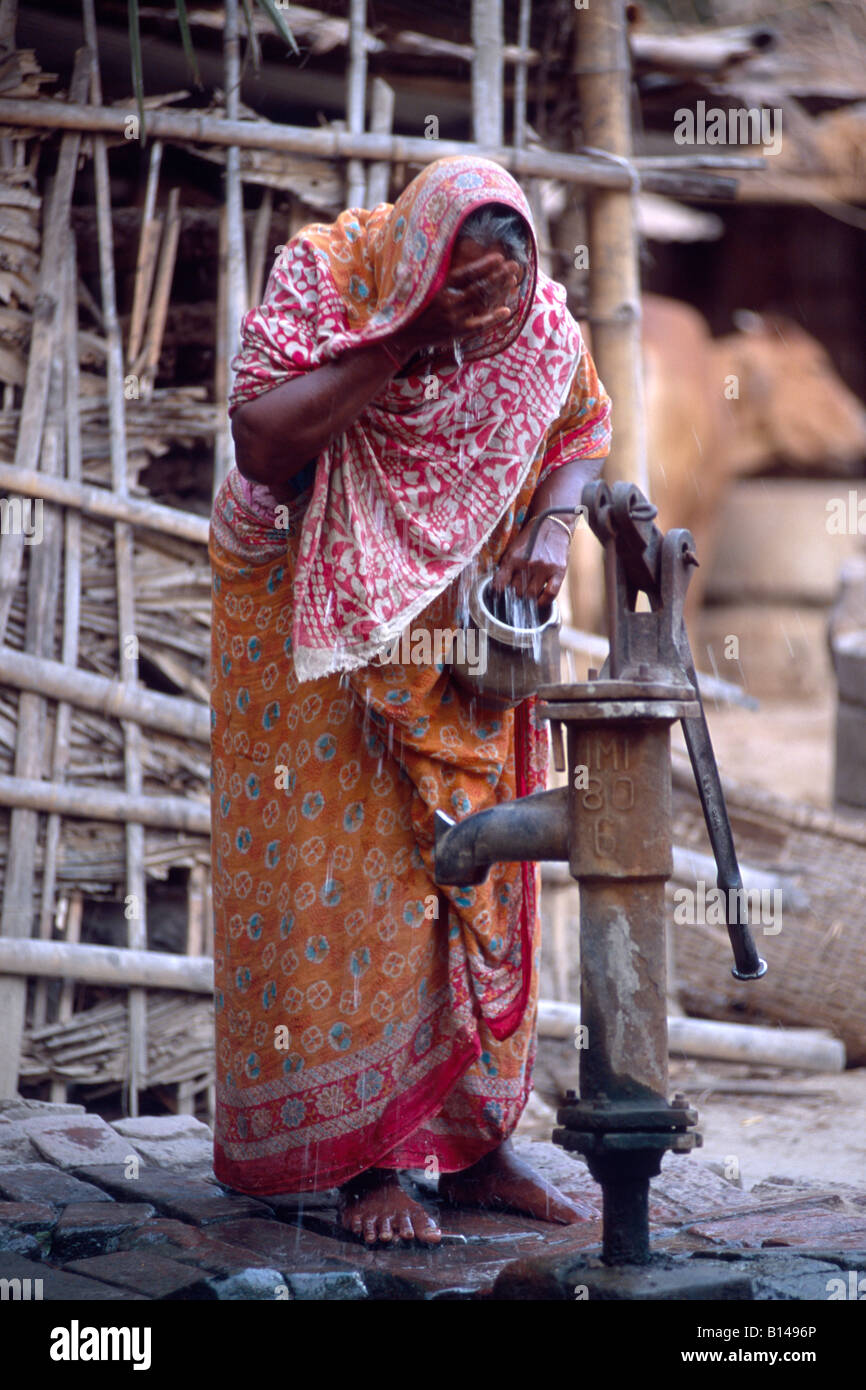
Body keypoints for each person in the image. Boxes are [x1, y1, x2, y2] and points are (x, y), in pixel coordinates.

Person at [209, 154, 612, 1246]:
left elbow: (578, 426)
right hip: (315, 629)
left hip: (458, 640)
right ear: (418, 263)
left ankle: (476, 1147)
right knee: (352, 888)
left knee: (471, 875)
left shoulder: (529, 325)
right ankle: (363, 1163)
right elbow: (262, 437)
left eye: (500, 295)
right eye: (462, 287)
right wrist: (403, 340)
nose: (483, 315)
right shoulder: (327, 280)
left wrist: (547, 527)